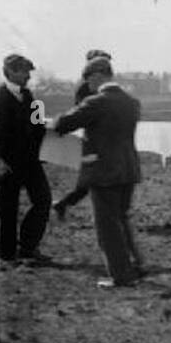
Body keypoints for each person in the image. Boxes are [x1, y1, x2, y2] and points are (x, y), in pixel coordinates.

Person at [51, 56, 145, 287]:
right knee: (121, 219)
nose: (87, 85)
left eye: (88, 79)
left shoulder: (96, 102)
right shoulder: (132, 102)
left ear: (97, 76)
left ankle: (121, 276)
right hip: (128, 168)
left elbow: (63, 124)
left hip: (103, 171)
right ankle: (134, 264)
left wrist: (52, 119)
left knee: (107, 226)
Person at [0, 54, 51, 268]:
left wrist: (47, 142)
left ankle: (27, 247)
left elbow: (39, 126)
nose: (28, 76)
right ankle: (7, 256)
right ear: (11, 72)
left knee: (43, 200)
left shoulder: (29, 96)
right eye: (25, 71)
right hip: (6, 164)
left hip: (31, 162)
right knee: (7, 209)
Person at [52, 49, 111, 221]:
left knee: (92, 181)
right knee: (90, 181)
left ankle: (62, 204)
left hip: (103, 137)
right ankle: (64, 205)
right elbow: (82, 112)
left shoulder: (98, 86)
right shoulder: (85, 87)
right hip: (94, 138)